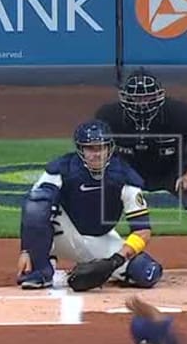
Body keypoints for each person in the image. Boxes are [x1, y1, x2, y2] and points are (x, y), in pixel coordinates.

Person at [94, 68, 187, 279]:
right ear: (125, 98)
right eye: (136, 98)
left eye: (147, 97)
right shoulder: (108, 116)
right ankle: (94, 254)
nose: (142, 103)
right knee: (94, 197)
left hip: (173, 169)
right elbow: (96, 146)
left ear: (159, 96)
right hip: (128, 171)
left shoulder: (179, 112)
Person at [16, 120, 164, 291]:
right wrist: (26, 250)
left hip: (99, 237)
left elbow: (142, 231)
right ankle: (41, 266)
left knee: (147, 272)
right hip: (62, 232)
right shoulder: (62, 168)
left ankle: (95, 265)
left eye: (101, 147)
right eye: (91, 148)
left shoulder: (124, 176)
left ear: (109, 148)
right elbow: (33, 207)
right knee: (38, 203)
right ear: (81, 150)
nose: (97, 154)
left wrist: (115, 260)